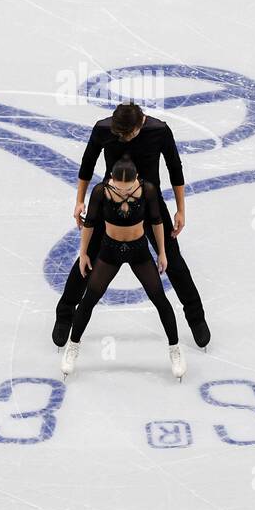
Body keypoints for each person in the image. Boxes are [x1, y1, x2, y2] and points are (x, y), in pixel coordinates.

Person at [53, 101, 211, 349]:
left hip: (151, 205)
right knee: (87, 258)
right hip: (109, 202)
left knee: (174, 260)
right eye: (120, 135)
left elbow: (175, 169)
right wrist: (79, 201)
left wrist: (181, 209)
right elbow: (87, 164)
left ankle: (196, 319)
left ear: (141, 123)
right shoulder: (103, 129)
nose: (124, 139)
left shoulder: (160, 131)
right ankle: (64, 317)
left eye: (129, 134)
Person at [60, 155, 185, 381]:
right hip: (109, 251)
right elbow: (89, 224)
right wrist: (83, 254)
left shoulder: (147, 189)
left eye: (128, 189)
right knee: (89, 299)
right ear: (111, 180)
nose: (124, 192)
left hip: (139, 252)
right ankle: (73, 346)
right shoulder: (101, 191)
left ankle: (175, 350)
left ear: (137, 178)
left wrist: (162, 253)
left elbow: (156, 222)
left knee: (160, 299)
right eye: (119, 188)